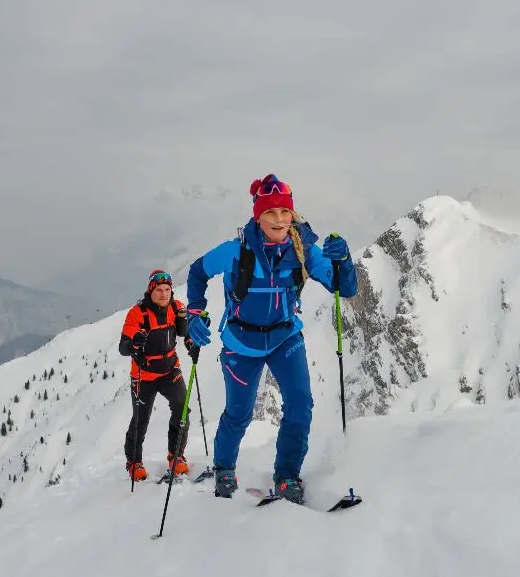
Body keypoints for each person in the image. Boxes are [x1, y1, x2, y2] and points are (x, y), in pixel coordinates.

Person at [185, 173, 358, 503]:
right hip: (240, 343)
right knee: (239, 414)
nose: (279, 219)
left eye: (285, 212)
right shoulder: (236, 251)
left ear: (292, 214)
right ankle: (223, 469)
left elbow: (343, 288)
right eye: (271, 213)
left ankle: (287, 475)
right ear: (258, 215)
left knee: (300, 405)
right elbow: (197, 271)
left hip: (285, 337)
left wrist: (344, 261)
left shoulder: (305, 251)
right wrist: (194, 312)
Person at [118, 269, 192, 482]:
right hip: (144, 375)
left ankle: (176, 455)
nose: (163, 294)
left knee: (182, 407)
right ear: (150, 290)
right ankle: (134, 462)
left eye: (167, 290)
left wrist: (191, 342)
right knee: (141, 419)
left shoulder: (177, 308)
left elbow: (185, 333)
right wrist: (134, 344)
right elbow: (123, 348)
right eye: (159, 290)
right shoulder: (137, 314)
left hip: (170, 370)